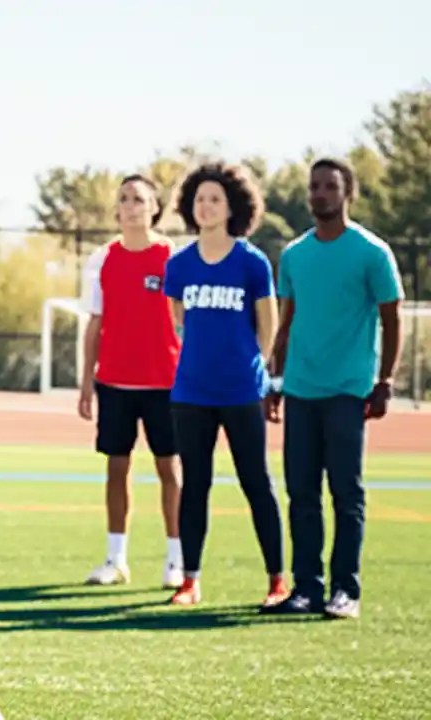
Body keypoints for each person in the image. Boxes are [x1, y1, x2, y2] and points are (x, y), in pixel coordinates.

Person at [263, 158, 405, 620]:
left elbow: (391, 319)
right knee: (301, 493)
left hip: (348, 391)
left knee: (346, 492)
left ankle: (346, 590)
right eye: (314, 187)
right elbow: (286, 323)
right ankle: (306, 588)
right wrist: (275, 381)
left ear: (348, 194)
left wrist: (384, 382)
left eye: (329, 186)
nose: (320, 194)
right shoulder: (295, 255)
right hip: (301, 390)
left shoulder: (372, 252)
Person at [161, 162, 288, 608]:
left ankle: (277, 580)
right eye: (200, 199)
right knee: (195, 484)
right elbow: (178, 320)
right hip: (191, 393)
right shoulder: (179, 265)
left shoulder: (252, 262)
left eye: (216, 199)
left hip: (241, 392)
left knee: (256, 482)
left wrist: (254, 369)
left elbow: (268, 324)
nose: (207, 206)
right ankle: (190, 581)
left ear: (233, 207)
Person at [78, 175, 184, 588]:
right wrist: (86, 382)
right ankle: (115, 559)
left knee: (169, 470)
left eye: (139, 199)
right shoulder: (102, 259)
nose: (131, 205)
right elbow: (94, 323)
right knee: (116, 469)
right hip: (115, 383)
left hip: (165, 383)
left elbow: (187, 320)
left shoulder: (173, 257)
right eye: (124, 199)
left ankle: (176, 560)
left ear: (154, 207)